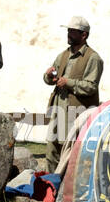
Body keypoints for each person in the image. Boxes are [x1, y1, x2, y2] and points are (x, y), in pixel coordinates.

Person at [44, 15, 104, 171]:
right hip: (58, 109)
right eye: (68, 30)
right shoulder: (63, 54)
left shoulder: (93, 58)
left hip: (76, 113)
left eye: (73, 31)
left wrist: (68, 82)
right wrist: (48, 76)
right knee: (52, 151)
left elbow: (91, 86)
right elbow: (50, 78)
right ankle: (51, 188)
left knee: (70, 155)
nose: (69, 34)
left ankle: (65, 191)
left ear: (84, 35)